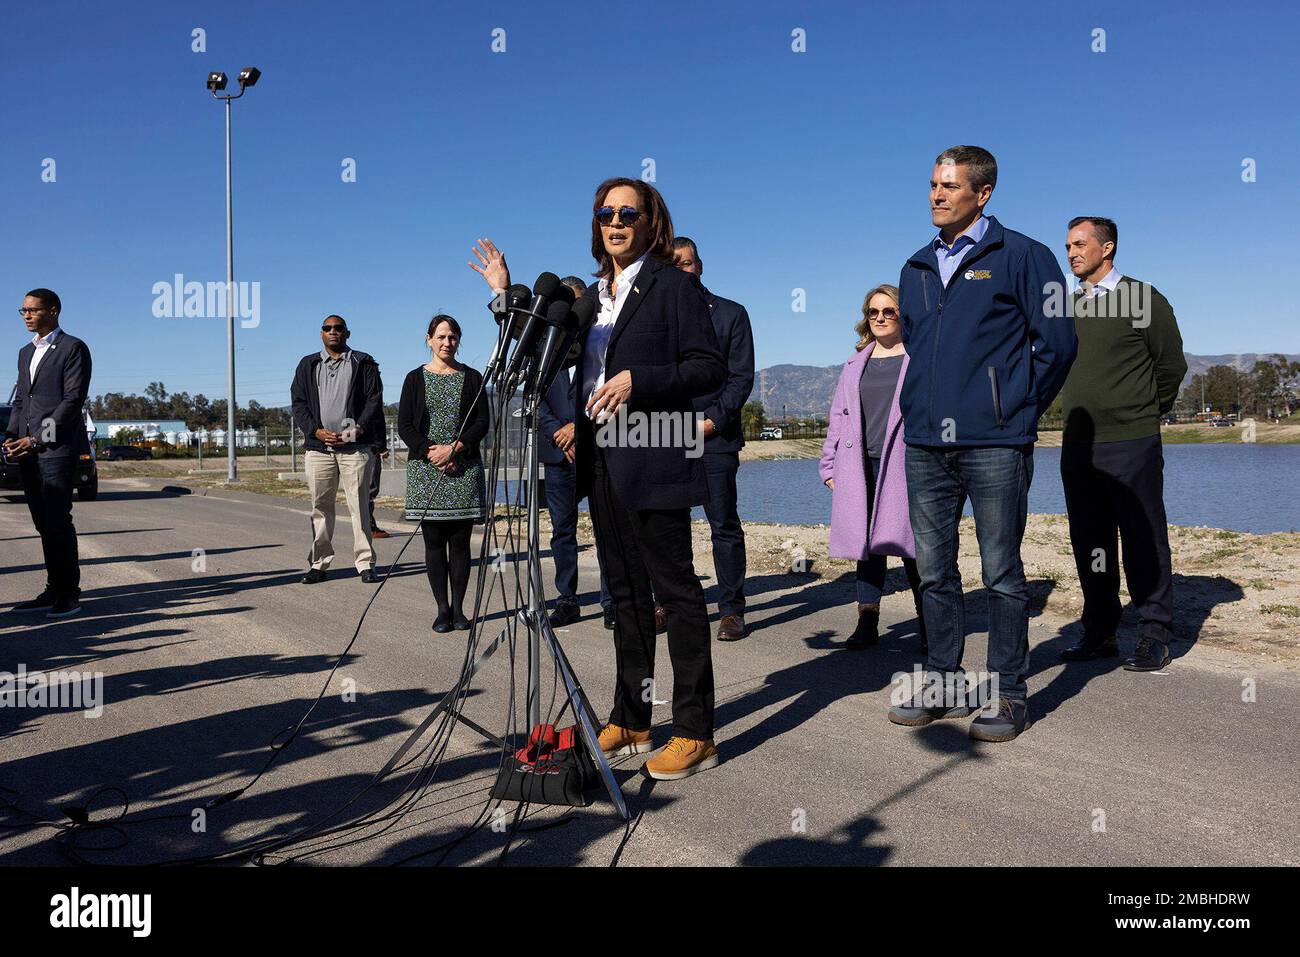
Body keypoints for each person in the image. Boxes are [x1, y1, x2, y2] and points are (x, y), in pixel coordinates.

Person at [888, 146, 1077, 743]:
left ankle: (1011, 693)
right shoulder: (915, 266)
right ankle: (944, 682)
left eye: (949, 186)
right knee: (936, 572)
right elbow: (918, 349)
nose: (936, 195)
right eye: (932, 185)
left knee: (1000, 572)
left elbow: (1058, 344)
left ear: (983, 193)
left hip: (996, 443)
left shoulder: (1024, 255)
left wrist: (1014, 408)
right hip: (925, 443)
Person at [577, 177, 726, 780]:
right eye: (606, 213)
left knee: (677, 593)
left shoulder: (672, 286)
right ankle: (632, 717)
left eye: (627, 214)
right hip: (600, 457)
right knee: (625, 595)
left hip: (654, 450)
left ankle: (695, 731)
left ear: (649, 223)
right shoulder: (592, 298)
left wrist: (641, 380)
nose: (616, 222)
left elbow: (707, 367)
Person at [1058, 216, 1186, 672]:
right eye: (1068, 245)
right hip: (1077, 444)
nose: (1071, 252)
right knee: (1089, 539)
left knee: (1142, 534)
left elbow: (1171, 365)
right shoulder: (1068, 306)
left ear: (1106, 248)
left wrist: (1145, 412)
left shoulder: (1142, 298)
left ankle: (1155, 632)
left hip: (1132, 439)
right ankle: (1100, 630)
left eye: (1080, 244)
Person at [820, 285, 924, 651]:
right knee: (868, 549)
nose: (879, 318)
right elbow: (838, 416)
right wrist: (829, 464)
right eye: (873, 312)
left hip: (906, 463)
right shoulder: (856, 361)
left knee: (913, 546)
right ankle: (867, 621)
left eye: (889, 311)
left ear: (902, 315)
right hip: (860, 464)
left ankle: (930, 624)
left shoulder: (919, 356)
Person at [669, 237, 755, 641]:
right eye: (674, 264)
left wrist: (710, 423)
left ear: (699, 266)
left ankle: (732, 610)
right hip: (667, 437)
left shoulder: (732, 314)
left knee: (722, 524)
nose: (682, 270)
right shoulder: (658, 318)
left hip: (715, 436)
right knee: (671, 525)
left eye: (687, 264)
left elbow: (740, 379)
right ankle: (672, 605)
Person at [397, 315, 489, 633]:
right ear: (429, 339)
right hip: (426, 470)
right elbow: (405, 425)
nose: (447, 342)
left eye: (452, 337)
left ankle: (460, 610)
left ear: (459, 340)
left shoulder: (473, 378)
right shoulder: (413, 379)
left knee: (461, 544)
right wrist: (432, 452)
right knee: (434, 543)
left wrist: (456, 449)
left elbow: (482, 422)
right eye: (441, 336)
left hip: (463, 467)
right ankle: (442, 609)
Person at [5, 288, 92, 618]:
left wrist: (37, 439)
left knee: (58, 521)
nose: (26, 315)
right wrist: (13, 436)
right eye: (23, 310)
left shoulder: (73, 348)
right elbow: (20, 401)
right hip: (28, 452)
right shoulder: (25, 352)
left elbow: (72, 402)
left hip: (55, 450)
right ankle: (53, 588)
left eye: (33, 310)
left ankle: (69, 594)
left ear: (53, 310)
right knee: (43, 523)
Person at [290, 316, 384, 584]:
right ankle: (319, 563)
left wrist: (357, 430)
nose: (333, 332)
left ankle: (365, 563)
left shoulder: (362, 362)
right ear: (321, 334)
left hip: (354, 449)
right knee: (321, 507)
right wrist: (314, 431)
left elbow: (374, 400)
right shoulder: (308, 364)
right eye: (328, 328)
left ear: (347, 333)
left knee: (359, 506)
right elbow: (298, 403)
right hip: (319, 449)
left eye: (338, 328)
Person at [367, 424, 391, 539]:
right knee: (369, 490)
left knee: (363, 491)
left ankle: (366, 526)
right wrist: (381, 447)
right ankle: (369, 527)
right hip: (370, 448)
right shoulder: (370, 406)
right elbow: (376, 423)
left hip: (359, 447)